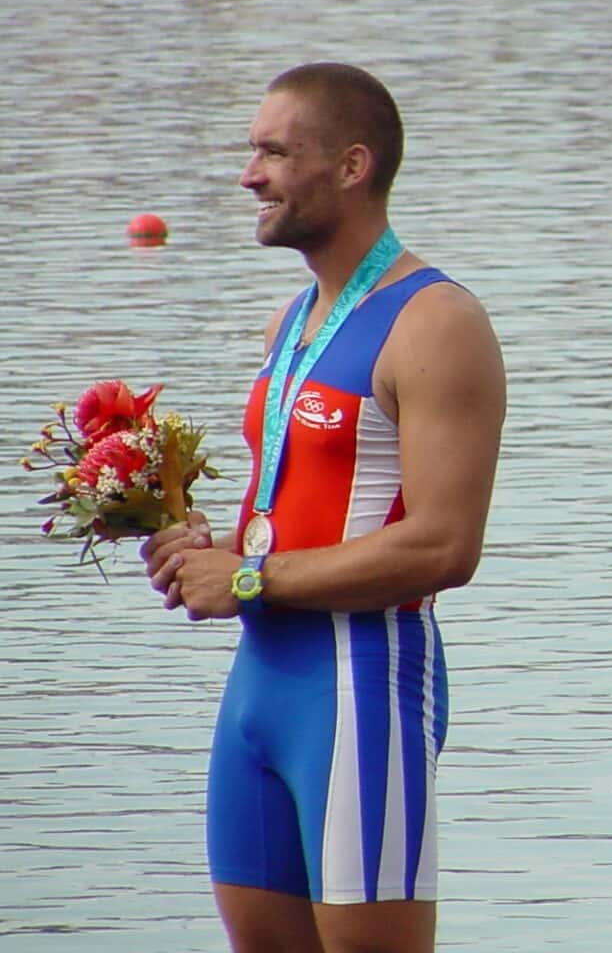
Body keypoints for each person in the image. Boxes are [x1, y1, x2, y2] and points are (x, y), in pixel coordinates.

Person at [142, 62, 506, 953]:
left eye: (274, 152)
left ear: (351, 166)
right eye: (251, 150)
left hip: (361, 685)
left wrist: (253, 579)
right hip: (258, 692)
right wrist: (205, 551)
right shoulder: (292, 322)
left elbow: (445, 547)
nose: (248, 175)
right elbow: (295, 522)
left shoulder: (435, 321)